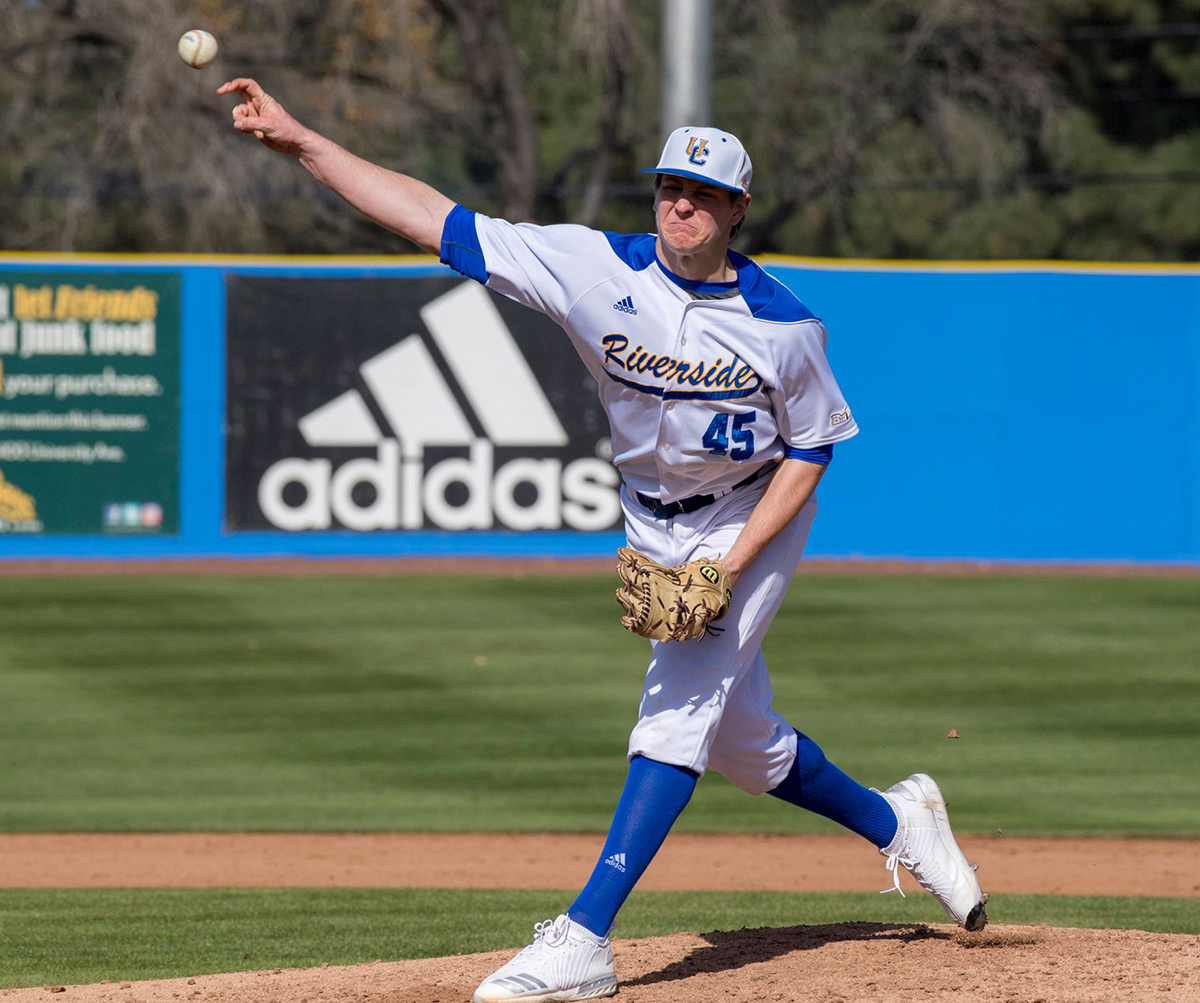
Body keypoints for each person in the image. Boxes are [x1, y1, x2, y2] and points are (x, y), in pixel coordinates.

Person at [219, 77, 988, 1003]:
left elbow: (812, 452)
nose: (682, 204)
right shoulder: (592, 269)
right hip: (647, 517)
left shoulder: (786, 327)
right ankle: (898, 819)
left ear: (739, 209)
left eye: (704, 194)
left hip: (748, 516)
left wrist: (727, 566)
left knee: (675, 711)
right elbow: (432, 217)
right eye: (670, 186)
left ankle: (584, 937)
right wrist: (303, 139)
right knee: (742, 744)